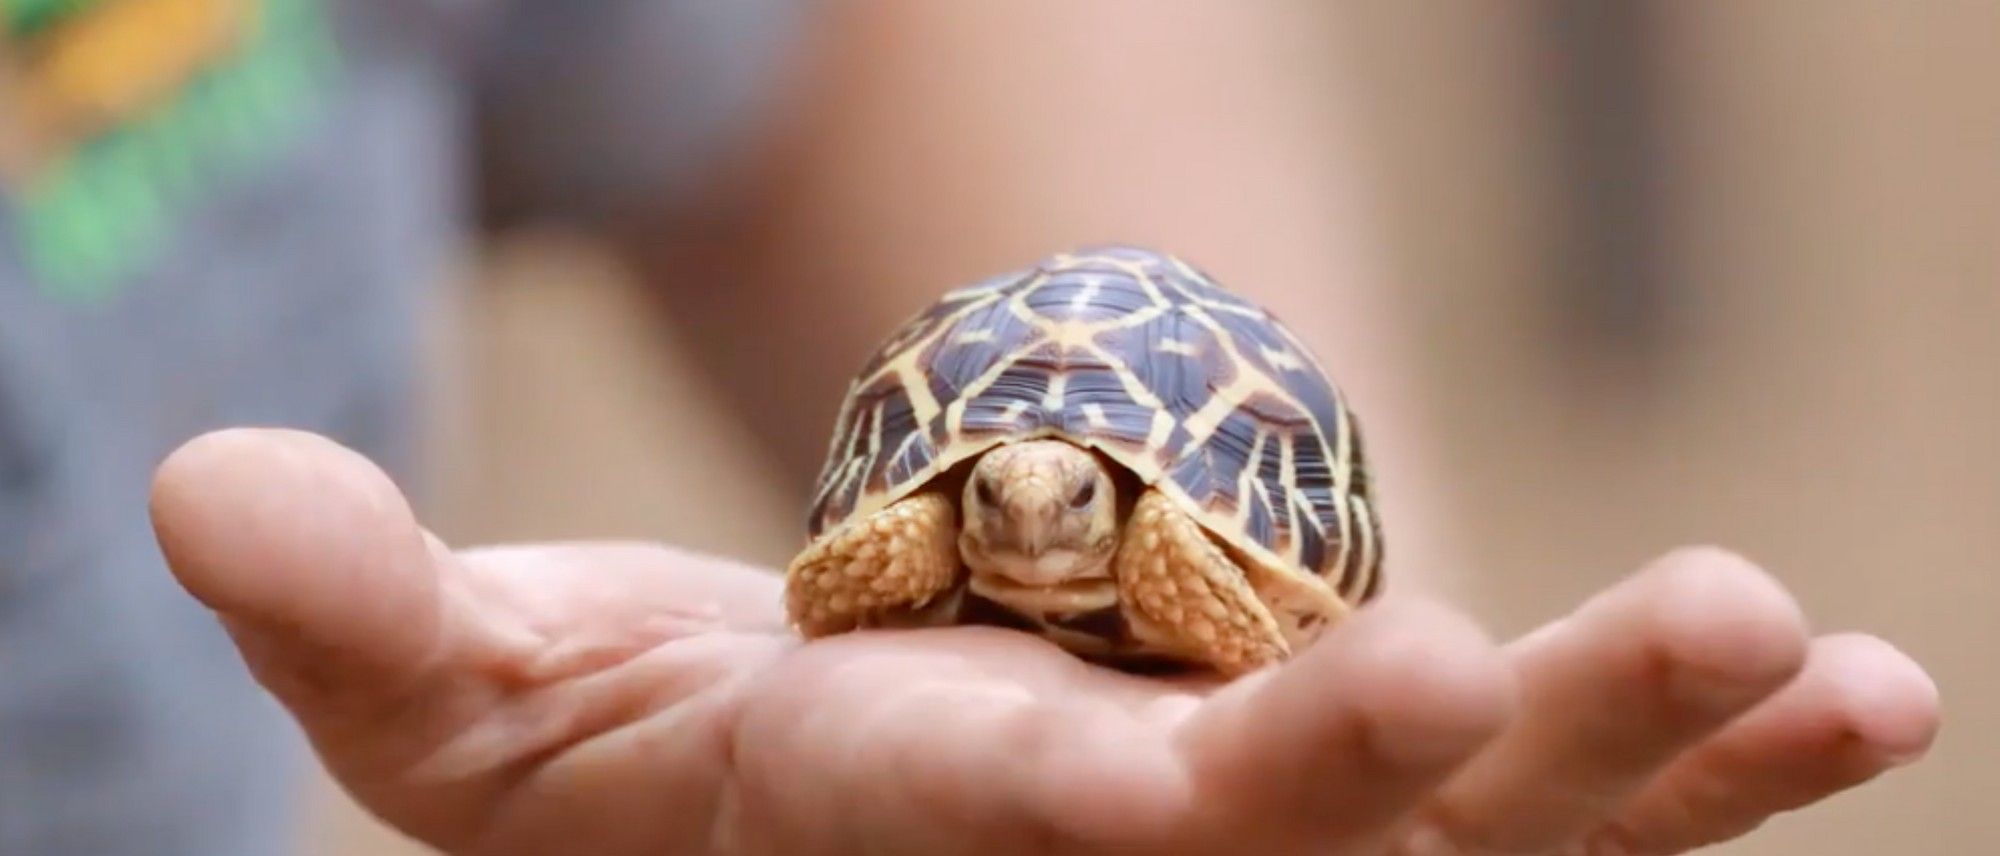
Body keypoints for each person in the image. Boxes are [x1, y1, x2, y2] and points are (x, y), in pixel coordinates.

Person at [6, 2, 1939, 854]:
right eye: (989, 502)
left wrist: (1330, 747)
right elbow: (854, 576)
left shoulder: (1156, 529)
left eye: (1046, 503)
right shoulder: (948, 520)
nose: (1017, 522)